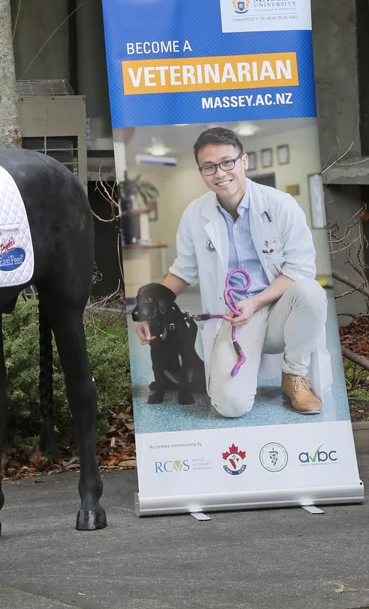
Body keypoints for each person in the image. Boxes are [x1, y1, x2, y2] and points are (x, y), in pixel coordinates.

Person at [135, 127, 328, 418]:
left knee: (310, 291)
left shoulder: (281, 205)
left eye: (227, 162)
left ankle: (294, 375)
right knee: (231, 406)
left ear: (244, 161)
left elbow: (299, 269)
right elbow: (182, 272)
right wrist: (149, 313)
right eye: (209, 166)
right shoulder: (195, 215)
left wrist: (256, 301)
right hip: (233, 318)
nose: (220, 173)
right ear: (201, 172)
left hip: (279, 310)